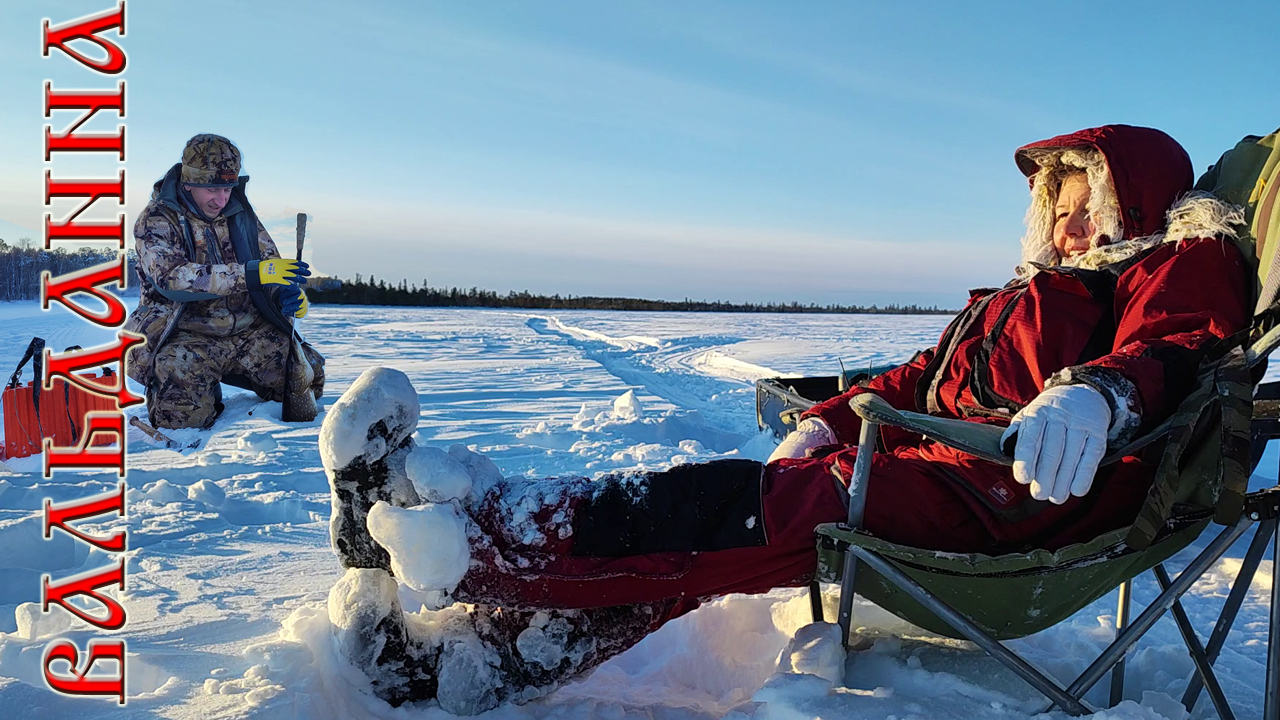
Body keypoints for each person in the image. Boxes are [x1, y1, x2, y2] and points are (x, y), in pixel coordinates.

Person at [320, 125, 1251, 713]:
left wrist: (1101, 392)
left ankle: (478, 534)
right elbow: (918, 375)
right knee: (723, 529)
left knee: (738, 514)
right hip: (937, 470)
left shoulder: (1176, 259)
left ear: (1135, 198)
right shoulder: (1031, 291)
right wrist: (835, 420)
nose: (1072, 222)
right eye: (1062, 205)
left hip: (1020, 494)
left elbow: (1180, 346)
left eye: (1091, 203)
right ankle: (472, 662)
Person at [124, 134, 325, 429]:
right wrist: (253, 274)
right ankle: (184, 387)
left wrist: (284, 296)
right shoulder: (157, 219)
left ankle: (223, 378)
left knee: (310, 379)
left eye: (228, 188)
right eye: (213, 189)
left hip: (247, 330)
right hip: (185, 333)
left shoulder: (241, 215)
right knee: (181, 418)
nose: (221, 199)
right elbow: (171, 279)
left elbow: (270, 265)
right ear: (189, 182)